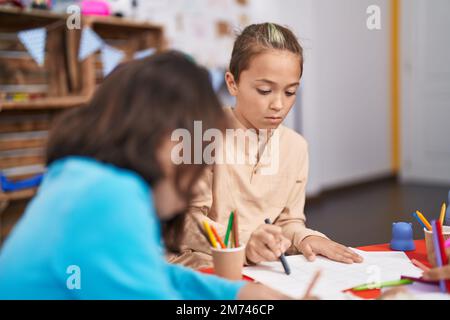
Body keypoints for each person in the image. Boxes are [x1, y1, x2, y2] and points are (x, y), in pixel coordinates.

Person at [0, 51, 292, 299]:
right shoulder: (109, 196)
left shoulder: (81, 178)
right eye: (200, 152)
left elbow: (154, 272)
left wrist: (236, 294)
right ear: (170, 141)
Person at [169, 23, 363, 269]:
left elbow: (288, 221)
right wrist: (244, 243)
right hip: (201, 267)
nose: (278, 105)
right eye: (264, 90)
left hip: (262, 269)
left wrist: (306, 238)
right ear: (232, 83)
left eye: (290, 92)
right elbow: (183, 223)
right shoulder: (198, 135)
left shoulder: (295, 147)